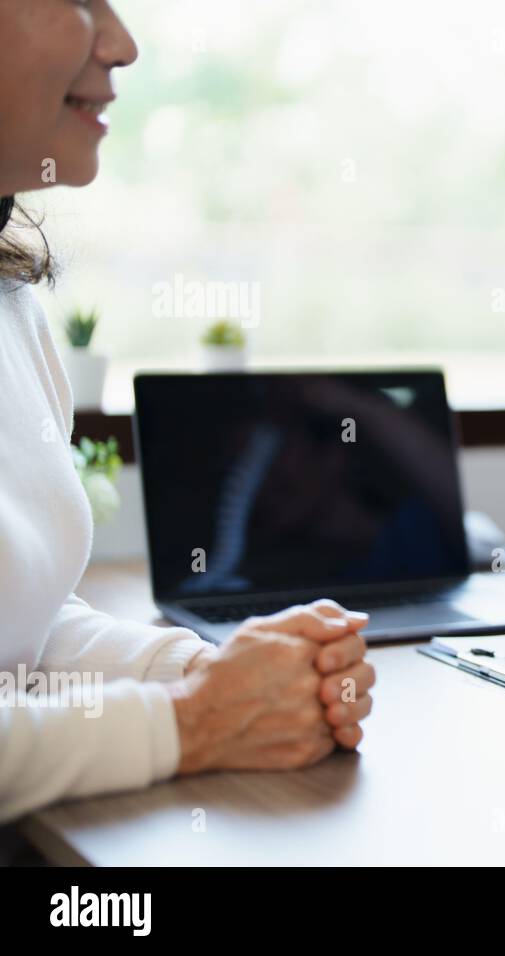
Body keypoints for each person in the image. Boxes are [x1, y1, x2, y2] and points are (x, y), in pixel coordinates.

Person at [0, 0, 374, 822]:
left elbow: (20, 631)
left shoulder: (14, 309)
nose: (123, 44)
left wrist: (200, 669)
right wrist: (195, 724)